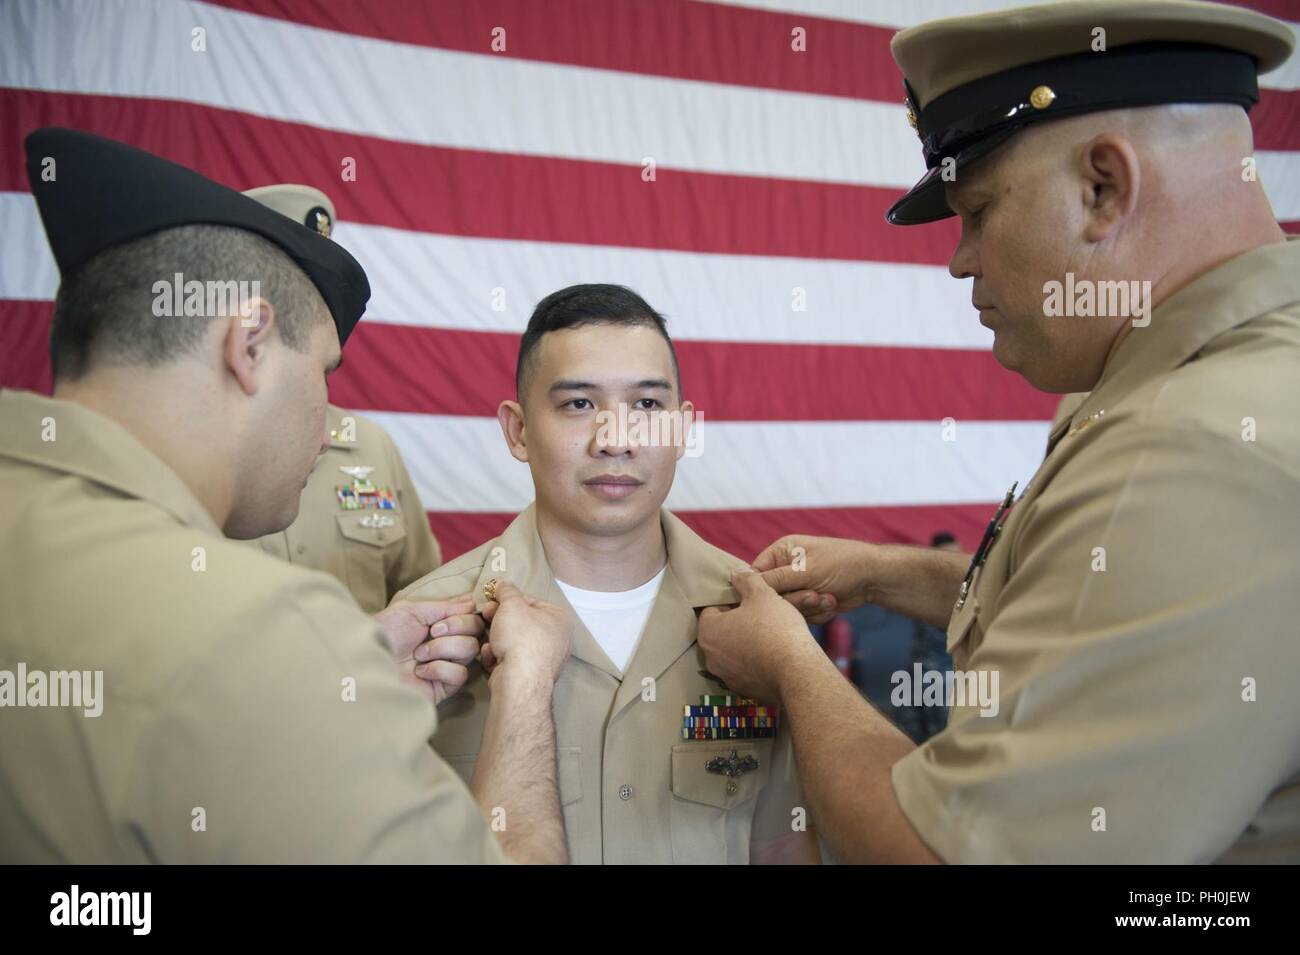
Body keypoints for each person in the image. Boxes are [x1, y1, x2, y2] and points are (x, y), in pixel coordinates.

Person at [697, 0, 1300, 863]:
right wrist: (888, 573)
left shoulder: (1186, 449)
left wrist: (791, 672)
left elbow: (940, 855)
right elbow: (1099, 606)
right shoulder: (1212, 377)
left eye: (977, 210)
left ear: (1103, 186)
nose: (960, 258)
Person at [0, 128, 570, 863]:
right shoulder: (269, 635)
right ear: (249, 344)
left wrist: (337, 666)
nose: (326, 411)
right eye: (323, 369)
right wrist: (526, 685)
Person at [394, 284, 820, 864]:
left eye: (647, 406)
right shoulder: (424, 634)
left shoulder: (761, 621)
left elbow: (779, 845)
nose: (616, 440)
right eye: (578, 405)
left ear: (684, 429)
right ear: (518, 432)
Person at [245, 184, 442, 613]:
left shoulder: (371, 446)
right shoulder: (188, 452)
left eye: (322, 297)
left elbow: (423, 595)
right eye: (285, 296)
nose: (311, 314)